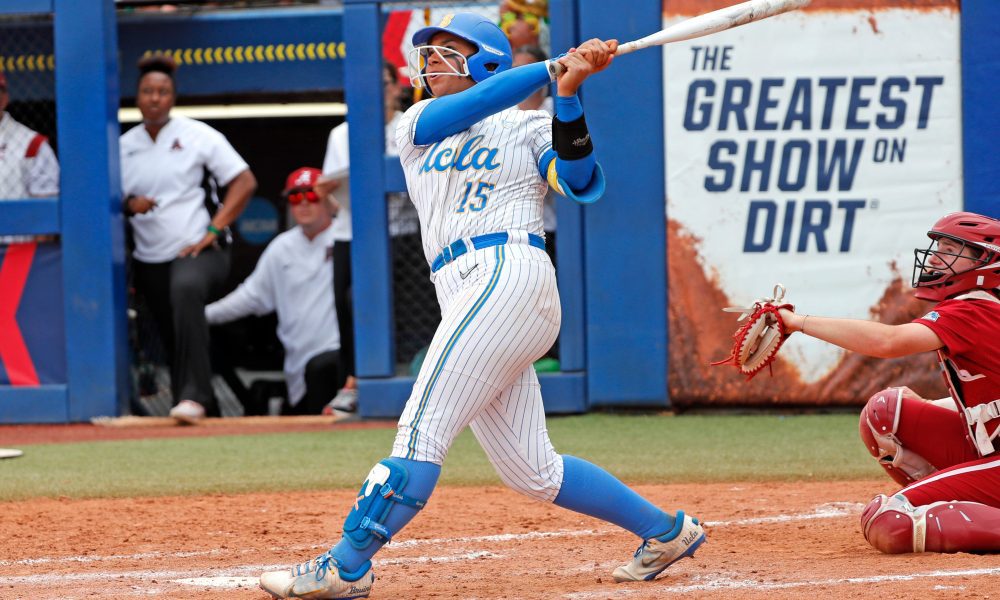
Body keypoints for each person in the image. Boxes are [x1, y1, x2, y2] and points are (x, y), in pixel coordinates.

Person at [260, 13, 705, 599]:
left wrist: (568, 96)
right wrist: (550, 68)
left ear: (488, 61)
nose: (432, 61)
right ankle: (666, 531)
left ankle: (346, 566)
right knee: (533, 471)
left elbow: (577, 179)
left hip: (508, 274)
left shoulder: (529, 126)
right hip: (464, 290)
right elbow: (474, 105)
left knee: (420, 432)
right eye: (429, 52)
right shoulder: (415, 124)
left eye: (449, 50)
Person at [776, 211, 1000, 554]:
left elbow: (887, 342)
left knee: (888, 521)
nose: (935, 258)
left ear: (986, 262)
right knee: (886, 414)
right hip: (990, 449)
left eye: (950, 249)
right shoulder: (982, 306)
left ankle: (952, 512)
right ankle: (958, 506)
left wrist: (795, 322)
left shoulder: (974, 309)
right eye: (938, 247)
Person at [120, 54, 257, 424]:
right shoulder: (123, 146)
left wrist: (213, 230)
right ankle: (202, 407)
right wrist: (130, 205)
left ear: (173, 97)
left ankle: (194, 397)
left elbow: (244, 181)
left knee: (185, 290)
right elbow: (109, 199)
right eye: (147, 91)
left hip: (200, 249)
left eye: (163, 91)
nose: (155, 98)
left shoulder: (198, 135)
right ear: (137, 96)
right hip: (150, 256)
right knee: (172, 331)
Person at [206, 167, 344, 415]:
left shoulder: (345, 239)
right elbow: (250, 297)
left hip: (338, 361)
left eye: (312, 195)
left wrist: (340, 207)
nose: (304, 203)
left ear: (327, 199)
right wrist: (202, 315)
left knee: (321, 371)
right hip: (297, 367)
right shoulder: (281, 247)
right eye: (295, 197)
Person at [315, 61, 407, 415]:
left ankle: (389, 381)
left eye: (384, 84)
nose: (378, 92)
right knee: (346, 308)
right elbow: (331, 192)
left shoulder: (409, 126)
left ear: (396, 87)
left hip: (399, 232)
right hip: (350, 232)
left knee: (380, 304)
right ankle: (350, 384)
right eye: (369, 86)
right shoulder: (341, 133)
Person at [0, 68, 60, 243]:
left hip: (15, 250)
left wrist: (37, 257)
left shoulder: (31, 144)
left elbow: (46, 215)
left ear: (4, 98)